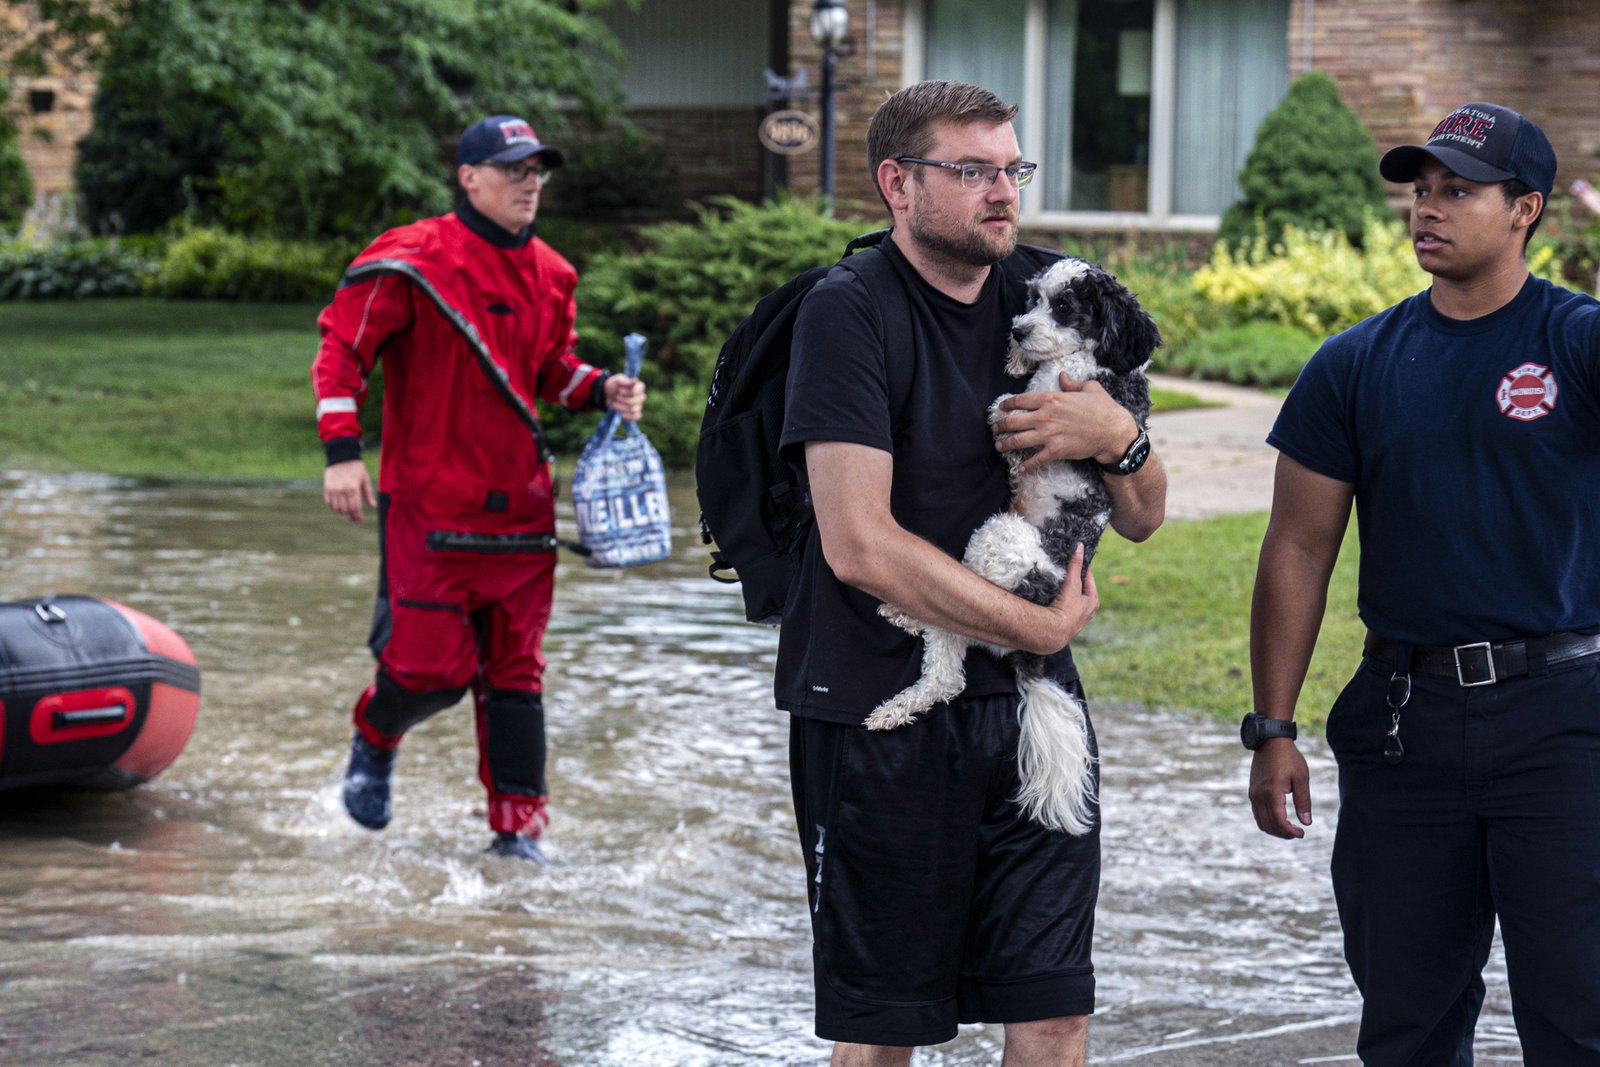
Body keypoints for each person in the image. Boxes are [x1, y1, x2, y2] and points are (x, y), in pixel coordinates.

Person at [779, 80, 1167, 1065]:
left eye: (1012, 168)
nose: (1003, 192)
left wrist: (1118, 435)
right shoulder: (848, 312)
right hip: (880, 700)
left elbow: (1147, 512)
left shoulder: (1054, 290)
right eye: (972, 171)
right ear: (897, 184)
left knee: (1052, 1009)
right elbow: (857, 542)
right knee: (884, 1028)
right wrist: (1030, 622)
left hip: (1032, 700)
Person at [1247, 101, 1600, 1063]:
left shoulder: (1579, 341)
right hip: (1407, 721)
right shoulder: (1353, 364)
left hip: (1566, 721)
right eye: (1420, 190)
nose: (1427, 210)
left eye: (1458, 190)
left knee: (1578, 1015)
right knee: (1407, 1019)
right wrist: (1272, 727)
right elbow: (1298, 549)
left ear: (1527, 207)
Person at [311, 114, 645, 862]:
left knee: (517, 675)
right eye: (514, 168)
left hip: (524, 514)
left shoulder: (555, 273)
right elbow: (341, 353)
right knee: (431, 669)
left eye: (538, 170)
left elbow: (548, 369)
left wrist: (601, 389)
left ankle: (517, 831)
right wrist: (341, 453)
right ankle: (375, 733)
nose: (531, 182)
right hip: (430, 508)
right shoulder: (409, 259)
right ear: (469, 177)